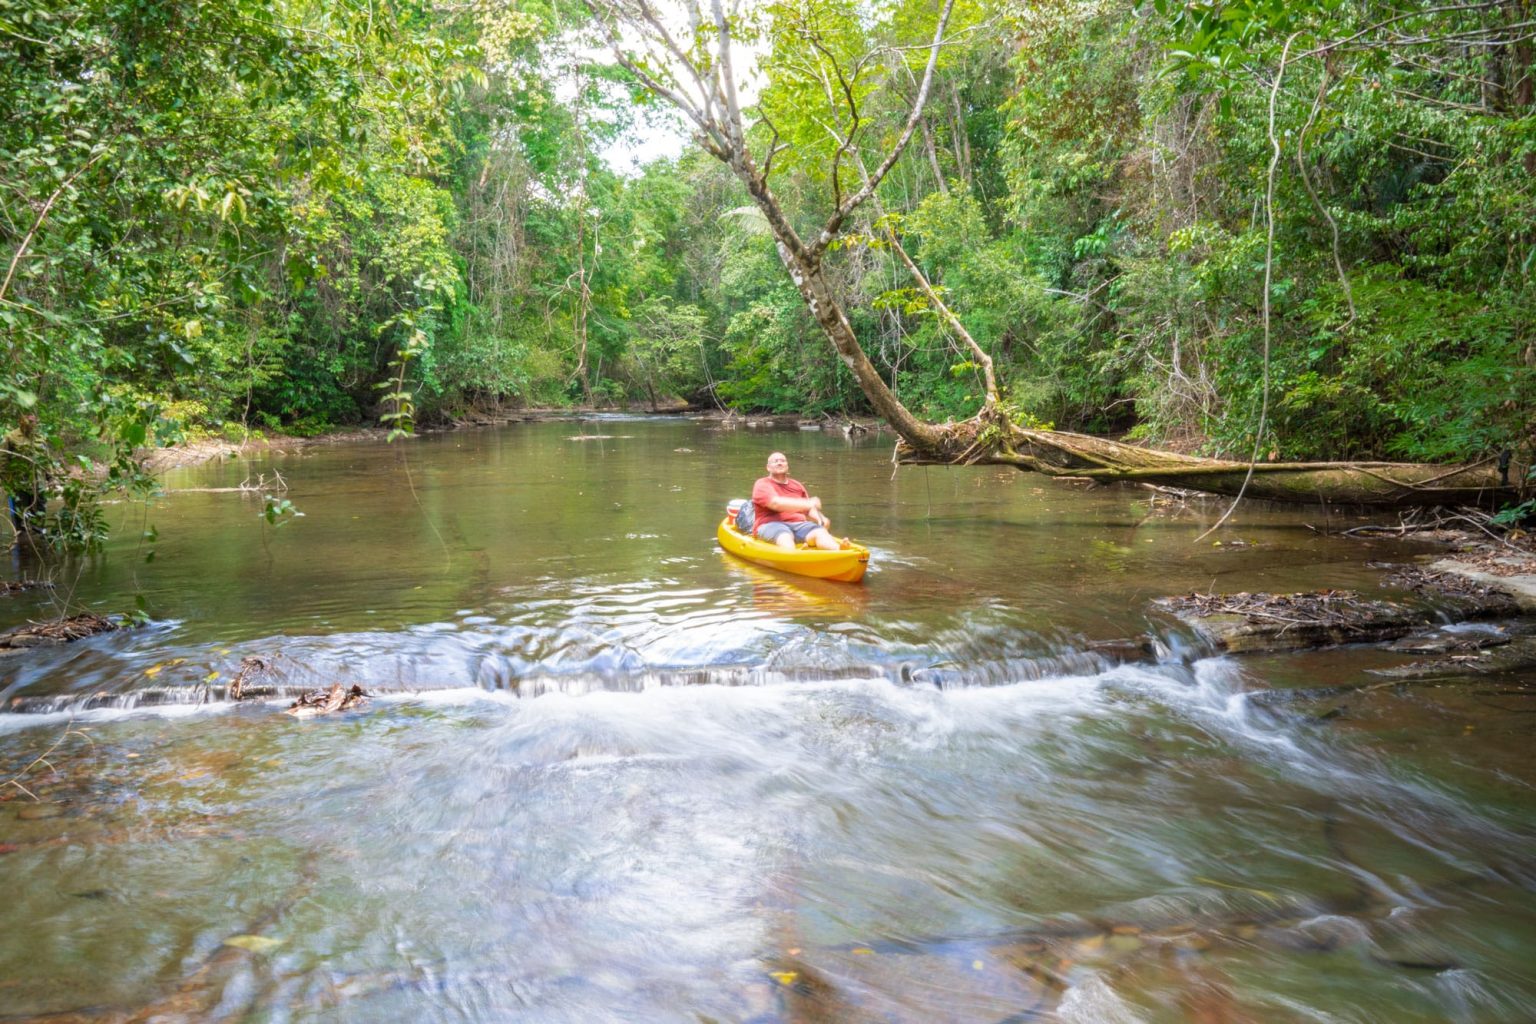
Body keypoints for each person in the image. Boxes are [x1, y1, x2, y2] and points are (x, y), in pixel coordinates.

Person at [751, 451, 842, 551]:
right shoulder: (762, 484)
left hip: (798, 524)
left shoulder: (797, 485)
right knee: (785, 535)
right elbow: (775, 503)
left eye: (782, 461)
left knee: (820, 532)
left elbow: (808, 509)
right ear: (768, 467)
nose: (779, 463)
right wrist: (808, 503)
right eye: (775, 461)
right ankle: (794, 556)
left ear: (787, 466)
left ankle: (839, 551)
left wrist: (821, 519)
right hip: (771, 525)